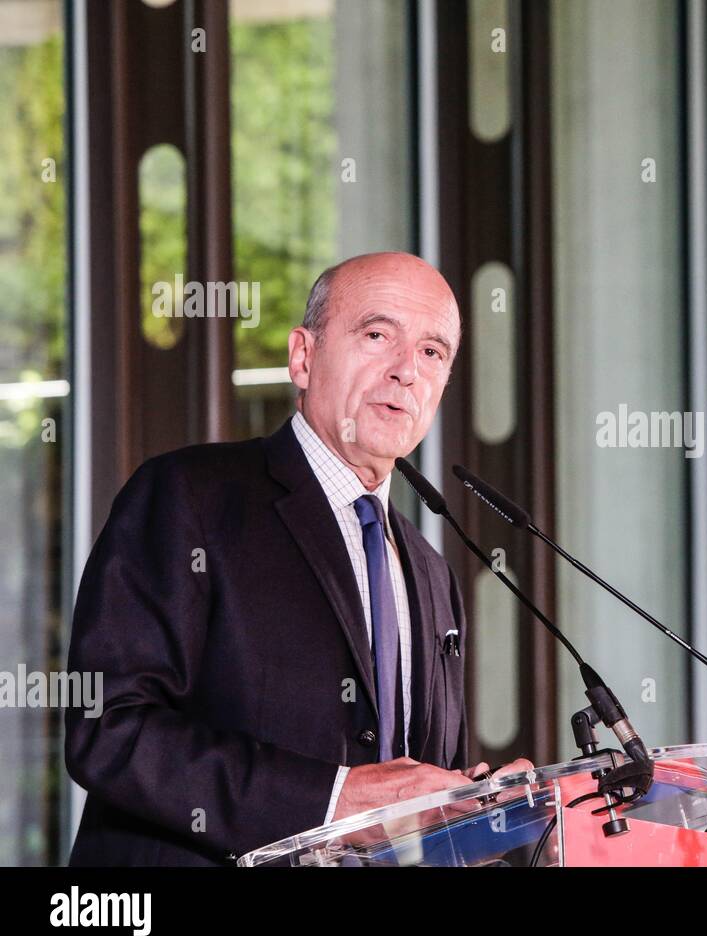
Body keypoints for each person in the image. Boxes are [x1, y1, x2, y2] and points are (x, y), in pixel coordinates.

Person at [65, 252, 531, 866]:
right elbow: (109, 729)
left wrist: (473, 815)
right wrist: (336, 799)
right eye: (377, 336)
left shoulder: (430, 571)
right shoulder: (191, 497)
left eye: (432, 353)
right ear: (302, 358)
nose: (406, 373)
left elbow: (408, 800)